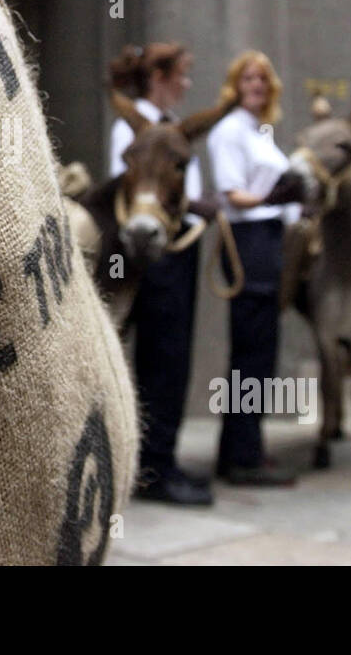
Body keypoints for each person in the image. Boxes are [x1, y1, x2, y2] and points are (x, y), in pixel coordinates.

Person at [109, 43, 220, 506]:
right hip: (153, 252)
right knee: (159, 357)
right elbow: (134, 187)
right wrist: (194, 205)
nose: (186, 84)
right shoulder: (132, 126)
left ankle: (164, 457)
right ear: (158, 77)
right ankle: (152, 469)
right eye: (180, 75)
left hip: (181, 247)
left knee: (174, 360)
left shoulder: (171, 127)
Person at [206, 50, 304, 486]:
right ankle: (244, 458)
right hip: (250, 242)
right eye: (248, 79)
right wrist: (272, 199)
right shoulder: (230, 131)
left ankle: (240, 451)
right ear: (235, 84)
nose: (257, 86)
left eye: (263, 80)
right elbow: (231, 193)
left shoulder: (261, 132)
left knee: (259, 357)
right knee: (251, 357)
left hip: (270, 240)